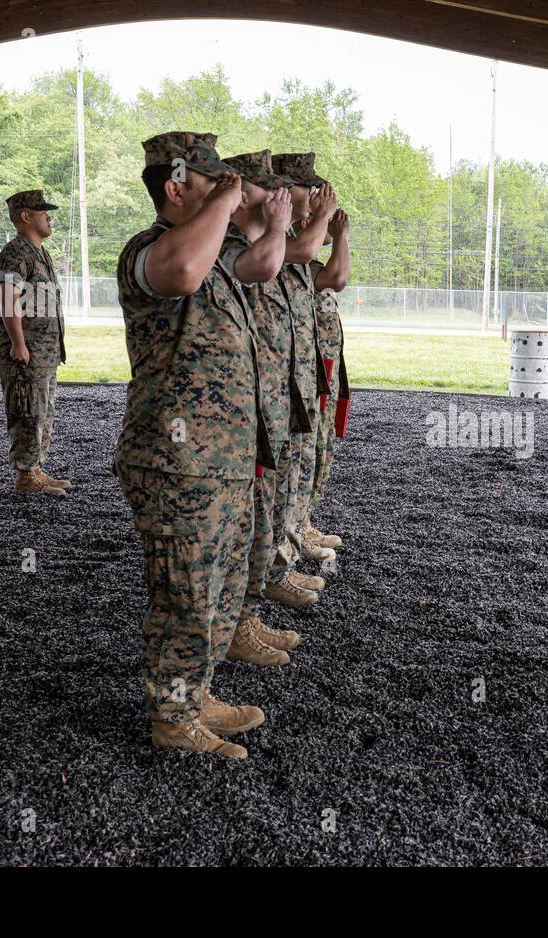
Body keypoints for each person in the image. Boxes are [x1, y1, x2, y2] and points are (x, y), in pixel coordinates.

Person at [113, 131, 267, 759]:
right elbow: (180, 271)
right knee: (185, 597)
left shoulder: (213, 256)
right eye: (213, 184)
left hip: (221, 458)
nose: (229, 197)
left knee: (221, 591)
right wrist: (227, 202)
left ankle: (196, 694)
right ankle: (172, 720)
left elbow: (259, 261)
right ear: (176, 188)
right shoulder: (150, 251)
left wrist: (243, 208)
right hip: (175, 461)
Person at [219, 148, 308, 657]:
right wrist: (286, 222)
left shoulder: (252, 238)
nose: (278, 195)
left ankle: (244, 619)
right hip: (227, 420)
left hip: (264, 404)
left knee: (259, 520)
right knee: (236, 533)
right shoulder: (227, 243)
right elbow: (269, 261)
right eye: (265, 186)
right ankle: (236, 627)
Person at [266, 151, 339, 606]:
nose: (313, 196)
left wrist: (338, 231)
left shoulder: (282, 237)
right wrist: (325, 217)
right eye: (305, 188)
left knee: (297, 469)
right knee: (277, 480)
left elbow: (334, 277)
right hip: (271, 384)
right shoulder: (267, 239)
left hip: (297, 375)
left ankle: (287, 554)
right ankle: (274, 570)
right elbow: (309, 253)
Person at [0, 189, 68, 496]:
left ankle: (36, 468)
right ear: (25, 217)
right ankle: (26, 475)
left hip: (45, 351)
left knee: (42, 411)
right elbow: (7, 301)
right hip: (27, 351)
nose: (49, 217)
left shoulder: (39, 253)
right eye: (42, 212)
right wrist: (18, 344)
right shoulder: (15, 253)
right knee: (27, 411)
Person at [305, 209, 351, 551]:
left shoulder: (304, 262)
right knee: (307, 453)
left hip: (324, 371)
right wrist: (340, 236)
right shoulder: (297, 262)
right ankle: (296, 529)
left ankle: (302, 522)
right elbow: (337, 277)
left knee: (320, 450)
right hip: (310, 374)